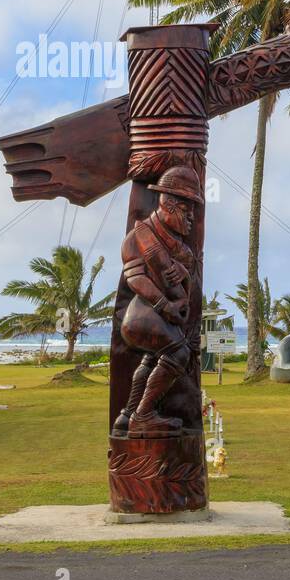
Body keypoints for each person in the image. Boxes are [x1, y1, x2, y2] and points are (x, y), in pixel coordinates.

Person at [112, 165, 202, 438]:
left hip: (157, 316)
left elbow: (188, 282)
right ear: (170, 205)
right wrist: (165, 305)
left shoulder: (178, 247)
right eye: (187, 212)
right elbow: (135, 280)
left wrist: (184, 274)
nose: (192, 219)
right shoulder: (137, 239)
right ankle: (143, 416)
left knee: (153, 358)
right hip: (142, 316)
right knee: (178, 354)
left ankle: (128, 415)